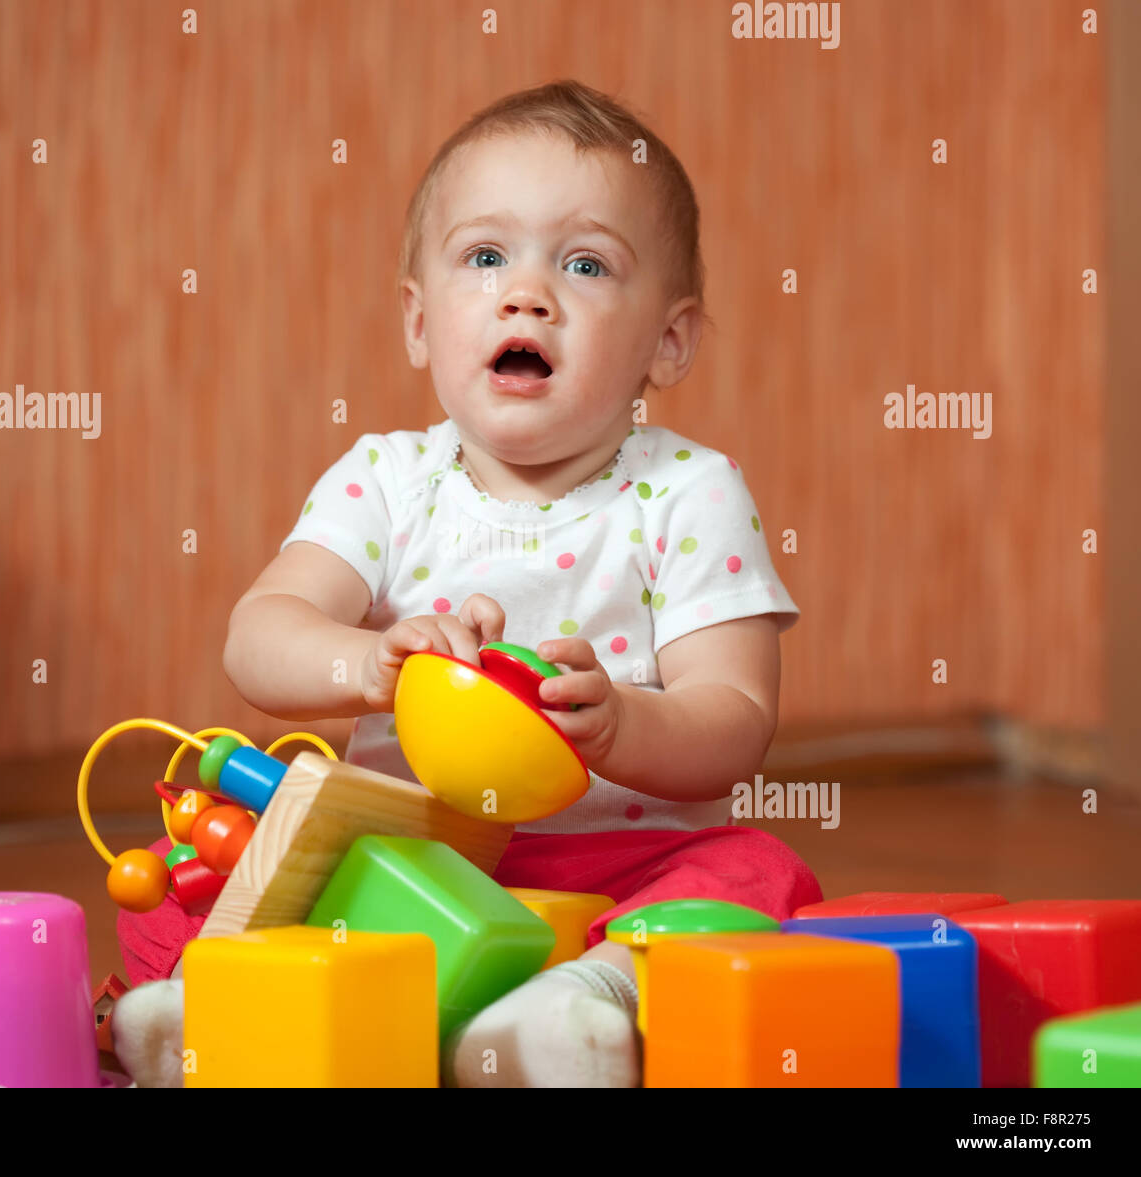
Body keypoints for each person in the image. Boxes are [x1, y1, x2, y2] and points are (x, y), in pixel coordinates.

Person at [116, 78, 820, 1088]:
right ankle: (228, 1011)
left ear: (667, 342)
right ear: (418, 321)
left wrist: (622, 724)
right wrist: (367, 659)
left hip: (615, 867)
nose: (525, 293)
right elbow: (258, 636)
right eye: (485, 256)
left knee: (757, 874)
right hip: (406, 859)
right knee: (210, 856)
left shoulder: (689, 492)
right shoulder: (388, 479)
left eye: (583, 264)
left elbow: (737, 714)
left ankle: (581, 1007)